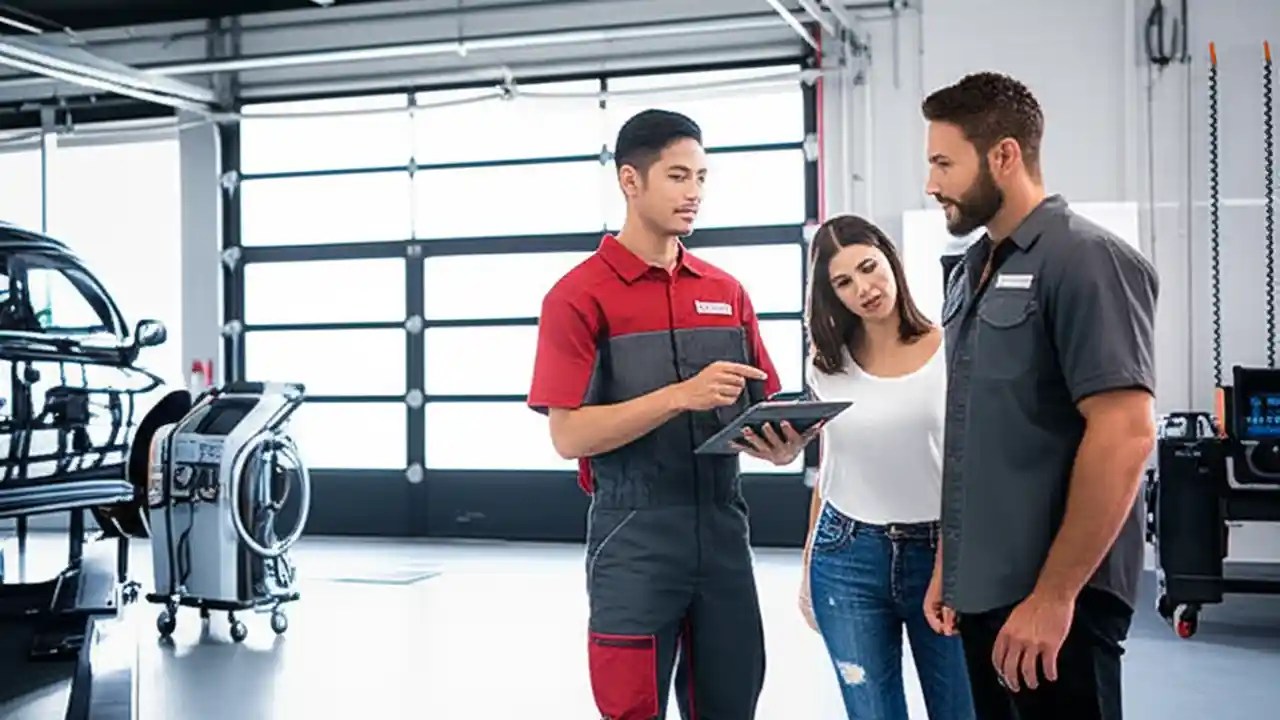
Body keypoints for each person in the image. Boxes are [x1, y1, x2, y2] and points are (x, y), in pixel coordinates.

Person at [527, 108, 820, 720]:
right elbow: (568, 434)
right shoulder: (577, 297)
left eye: (703, 178)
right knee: (631, 707)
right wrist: (677, 396)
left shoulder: (726, 290)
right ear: (630, 182)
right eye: (679, 176)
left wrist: (783, 443)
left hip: (722, 532)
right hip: (632, 537)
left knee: (732, 701)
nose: (695, 194)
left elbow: (762, 409)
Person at [920, 71, 1159, 719]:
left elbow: (1126, 433)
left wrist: (1054, 596)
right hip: (984, 591)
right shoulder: (971, 271)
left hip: (1056, 602)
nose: (931, 183)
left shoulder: (1085, 259)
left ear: (1004, 155)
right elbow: (977, 432)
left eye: (944, 163)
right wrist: (953, 563)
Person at [797, 214, 975, 720]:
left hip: (940, 554)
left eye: (869, 269)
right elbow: (832, 464)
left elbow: (974, 468)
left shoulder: (954, 350)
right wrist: (810, 561)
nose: (865, 289)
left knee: (960, 709)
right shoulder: (826, 366)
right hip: (847, 554)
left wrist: (961, 565)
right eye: (844, 283)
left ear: (891, 261)